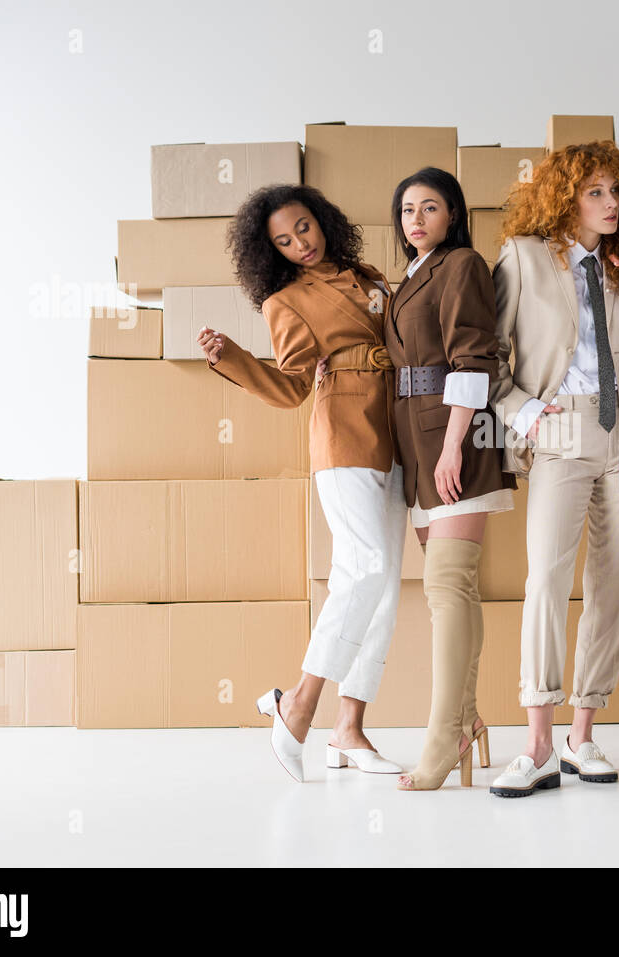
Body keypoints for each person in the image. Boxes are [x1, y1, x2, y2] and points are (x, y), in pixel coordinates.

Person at [198, 184, 408, 782]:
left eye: (304, 229)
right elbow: (292, 386)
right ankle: (299, 703)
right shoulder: (285, 301)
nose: (300, 245)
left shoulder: (368, 275)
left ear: (323, 220)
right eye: (284, 242)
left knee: (384, 586)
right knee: (364, 568)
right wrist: (233, 357)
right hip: (344, 438)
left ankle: (349, 729)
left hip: (396, 435)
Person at [486, 141, 619, 797]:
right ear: (566, 196)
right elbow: (490, 352)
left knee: (615, 581)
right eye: (596, 193)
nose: (610, 205)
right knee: (546, 580)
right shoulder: (525, 257)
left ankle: (583, 734)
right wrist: (524, 414)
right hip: (558, 426)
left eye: (616, 193)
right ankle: (537, 743)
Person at [383, 167, 518, 791]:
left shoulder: (461, 263)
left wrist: (456, 445)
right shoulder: (407, 280)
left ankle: (443, 737)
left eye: (429, 207)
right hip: (418, 444)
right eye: (407, 209)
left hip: (457, 438)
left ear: (452, 214)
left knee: (445, 584)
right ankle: (466, 724)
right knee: (454, 591)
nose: (416, 218)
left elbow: (473, 355)